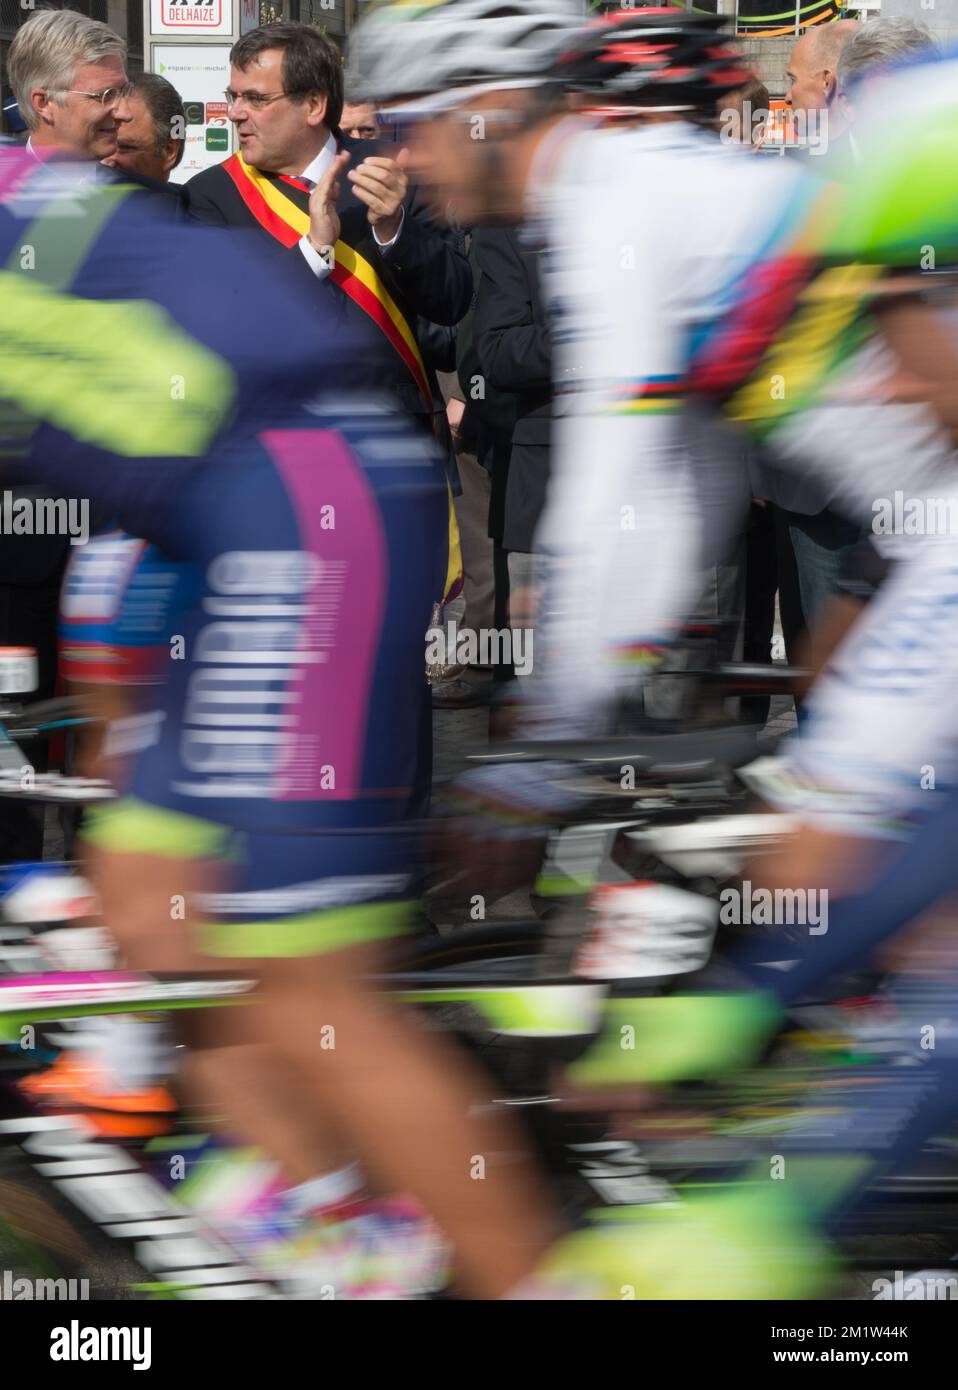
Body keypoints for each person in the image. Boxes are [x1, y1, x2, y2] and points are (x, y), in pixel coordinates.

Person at [103, 71, 186, 183]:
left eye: (125, 148)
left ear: (169, 151)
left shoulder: (198, 199)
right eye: (102, 144)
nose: (105, 161)